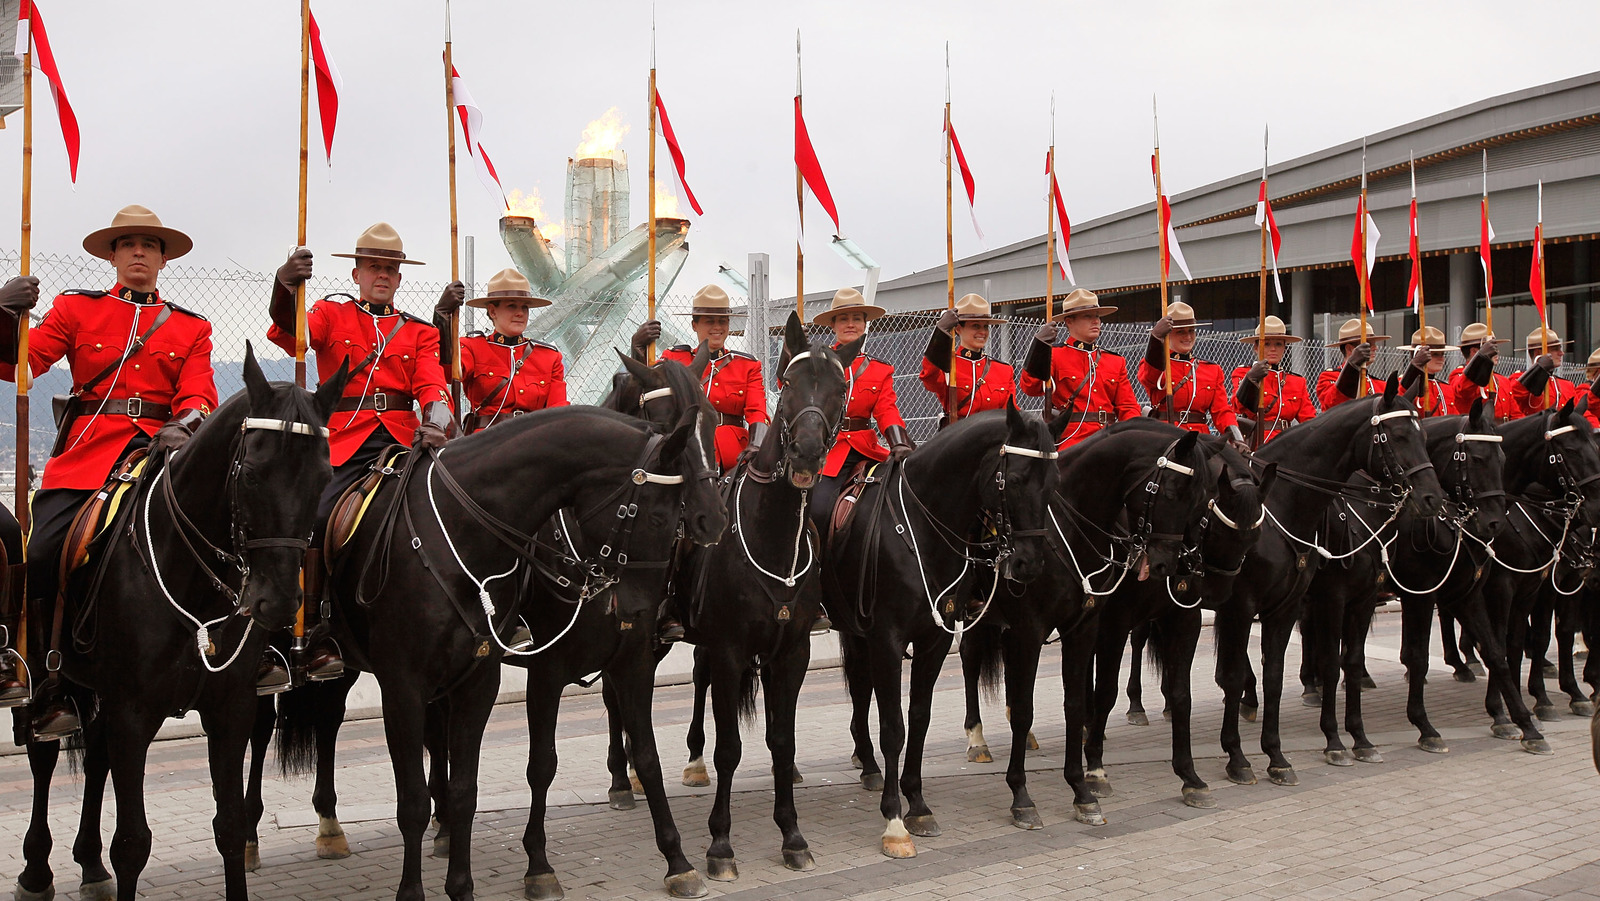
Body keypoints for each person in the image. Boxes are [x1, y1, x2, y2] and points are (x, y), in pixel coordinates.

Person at [0, 205, 217, 739]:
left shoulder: (192, 326)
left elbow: (198, 392)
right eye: (128, 244)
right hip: (88, 459)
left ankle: (236, 653)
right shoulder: (76, 309)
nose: (139, 252)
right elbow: (19, 366)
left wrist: (186, 424)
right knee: (44, 549)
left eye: (149, 244)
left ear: (163, 258)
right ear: (113, 256)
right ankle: (38, 670)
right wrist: (5, 316)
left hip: (162, 458)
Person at [266, 223, 459, 688]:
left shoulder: (417, 331)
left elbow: (432, 383)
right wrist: (284, 284)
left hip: (403, 440)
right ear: (356, 274)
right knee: (316, 517)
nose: (384, 276)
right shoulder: (332, 313)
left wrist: (437, 419)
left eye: (391, 269)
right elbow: (294, 333)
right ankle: (314, 626)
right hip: (344, 439)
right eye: (375, 267)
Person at [806, 287, 913, 530]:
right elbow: (787, 384)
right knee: (818, 509)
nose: (850, 324)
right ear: (833, 325)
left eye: (857, 319)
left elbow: (887, 410)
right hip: (829, 449)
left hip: (866, 448)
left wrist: (898, 441)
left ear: (865, 324)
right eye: (843, 319)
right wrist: (794, 350)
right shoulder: (818, 363)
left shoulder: (879, 369)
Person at [630, 284, 768, 473]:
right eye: (709, 321)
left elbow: (757, 411)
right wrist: (638, 348)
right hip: (685, 445)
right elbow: (648, 388)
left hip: (732, 454)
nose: (717, 327)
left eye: (723, 321)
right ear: (694, 325)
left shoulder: (747, 365)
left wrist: (757, 444)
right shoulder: (674, 358)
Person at [440, 268, 565, 433]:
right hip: (487, 439)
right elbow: (448, 374)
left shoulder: (549, 356)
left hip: (533, 438)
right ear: (492, 311)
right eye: (512, 306)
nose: (520, 313)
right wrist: (442, 320)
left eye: (525, 307)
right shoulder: (472, 347)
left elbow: (558, 409)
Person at [1018, 288, 1140, 448]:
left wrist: (1134, 434)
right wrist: (1039, 348)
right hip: (1070, 442)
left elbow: (1127, 406)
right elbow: (1030, 388)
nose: (1096, 321)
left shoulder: (1115, 361)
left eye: (1097, 316)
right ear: (1069, 321)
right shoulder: (1054, 354)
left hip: (1108, 439)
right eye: (1088, 316)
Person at [1137, 301, 1243, 445]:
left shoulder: (1212, 370)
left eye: (1191, 331)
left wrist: (1237, 438)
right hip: (1166, 436)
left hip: (1200, 439)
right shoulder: (1159, 364)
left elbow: (1222, 411)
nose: (1188, 337)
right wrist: (1156, 339)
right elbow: (1148, 378)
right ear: (1168, 334)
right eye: (1180, 332)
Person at [918, 293, 1015, 426]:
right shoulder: (948, 365)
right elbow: (929, 379)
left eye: (985, 326)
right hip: (957, 439)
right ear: (958, 329)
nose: (983, 332)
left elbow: (1011, 412)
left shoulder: (1003, 370)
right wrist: (940, 332)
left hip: (994, 439)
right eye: (975, 326)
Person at [1230, 315, 1314, 445]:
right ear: (1256, 348)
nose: (1273, 349)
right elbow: (1238, 406)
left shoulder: (1297, 381)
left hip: (1286, 443)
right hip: (1256, 442)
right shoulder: (1243, 373)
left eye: (1278, 344)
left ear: (1285, 348)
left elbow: (1308, 419)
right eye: (1267, 344)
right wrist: (1251, 379)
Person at [1447, 323, 1518, 421]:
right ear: (1474, 351)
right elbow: (1464, 390)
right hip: (1477, 433)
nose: (1497, 352)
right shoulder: (1459, 376)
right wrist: (1480, 360)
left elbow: (1516, 415)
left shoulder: (1502, 381)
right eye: (1491, 349)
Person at [1315, 319, 1390, 410]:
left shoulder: (1381, 384)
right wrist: (1352, 365)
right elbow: (1332, 405)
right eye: (1369, 344)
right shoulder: (1329, 377)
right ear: (1350, 349)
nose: (1375, 348)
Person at [1509, 326, 1579, 418]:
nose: (1561, 353)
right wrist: (1538, 369)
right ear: (1538, 353)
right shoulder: (1520, 379)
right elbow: (1513, 395)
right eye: (1555, 349)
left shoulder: (1567, 385)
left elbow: (1579, 412)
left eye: (1560, 348)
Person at [1396, 326, 1454, 417]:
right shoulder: (1404, 383)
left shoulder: (1445, 388)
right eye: (1435, 354)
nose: (1441, 358)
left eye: (1442, 354)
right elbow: (1398, 402)